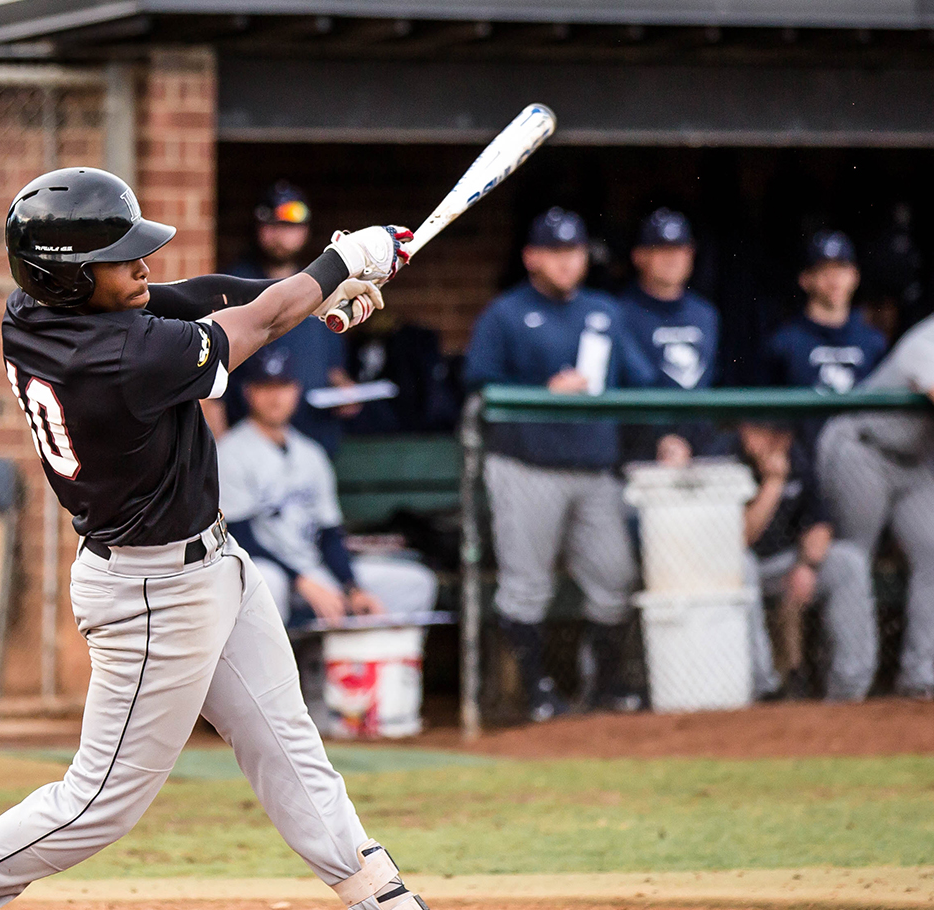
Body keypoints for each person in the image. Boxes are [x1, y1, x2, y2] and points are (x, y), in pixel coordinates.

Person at [0, 167, 531, 910]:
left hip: (209, 567)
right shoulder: (118, 358)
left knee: (289, 753)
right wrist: (334, 265)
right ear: (68, 276)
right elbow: (249, 319)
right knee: (98, 803)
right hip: (152, 590)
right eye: (120, 261)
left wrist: (327, 292)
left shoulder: (43, 317)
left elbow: (202, 294)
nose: (140, 271)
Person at [464, 207, 654, 722]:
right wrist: (542, 393)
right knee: (526, 587)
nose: (567, 262)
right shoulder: (506, 313)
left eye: (573, 252)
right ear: (532, 257)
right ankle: (535, 693)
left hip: (595, 468)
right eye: (555, 252)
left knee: (615, 580)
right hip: (527, 466)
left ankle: (604, 686)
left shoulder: (604, 311)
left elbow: (641, 381)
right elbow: (475, 384)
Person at [216, 352, 438, 627]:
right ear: (249, 392)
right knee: (267, 583)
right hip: (270, 571)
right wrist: (302, 581)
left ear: (296, 389)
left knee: (415, 583)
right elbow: (239, 539)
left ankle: (365, 664)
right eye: (265, 387)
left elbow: (330, 534)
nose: (275, 397)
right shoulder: (230, 453)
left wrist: (351, 587)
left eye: (283, 386)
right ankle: (276, 668)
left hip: (314, 568)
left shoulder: (311, 454)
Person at [814, 311, 934, 699]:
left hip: (913, 463)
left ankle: (922, 675)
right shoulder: (925, 339)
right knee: (853, 560)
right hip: (863, 449)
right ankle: (849, 682)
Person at [206, 182, 360, 453]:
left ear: (305, 230)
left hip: (314, 445)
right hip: (251, 450)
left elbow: (333, 368)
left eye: (290, 226)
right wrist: (223, 456)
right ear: (259, 229)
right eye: (272, 225)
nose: (281, 235)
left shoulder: (320, 287)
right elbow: (211, 384)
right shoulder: (235, 286)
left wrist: (345, 391)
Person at [732, 421, 867, 700]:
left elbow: (819, 523)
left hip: (787, 564)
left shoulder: (797, 455)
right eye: (764, 431)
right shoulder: (728, 457)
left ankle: (849, 690)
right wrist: (774, 483)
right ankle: (763, 688)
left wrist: (807, 565)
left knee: (847, 562)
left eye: (780, 434)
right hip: (737, 569)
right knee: (741, 564)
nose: (776, 442)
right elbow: (739, 539)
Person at [619, 209, 725, 465]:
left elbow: (711, 387)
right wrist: (661, 438)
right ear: (639, 256)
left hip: (699, 451)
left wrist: (687, 441)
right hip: (639, 454)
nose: (672, 259)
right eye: (661, 249)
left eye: (679, 249)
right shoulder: (619, 313)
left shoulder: (706, 314)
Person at [761, 230, 887, 395]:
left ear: (855, 276)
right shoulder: (783, 343)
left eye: (841, 269)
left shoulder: (874, 342)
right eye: (824, 270)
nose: (834, 280)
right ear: (805, 279)